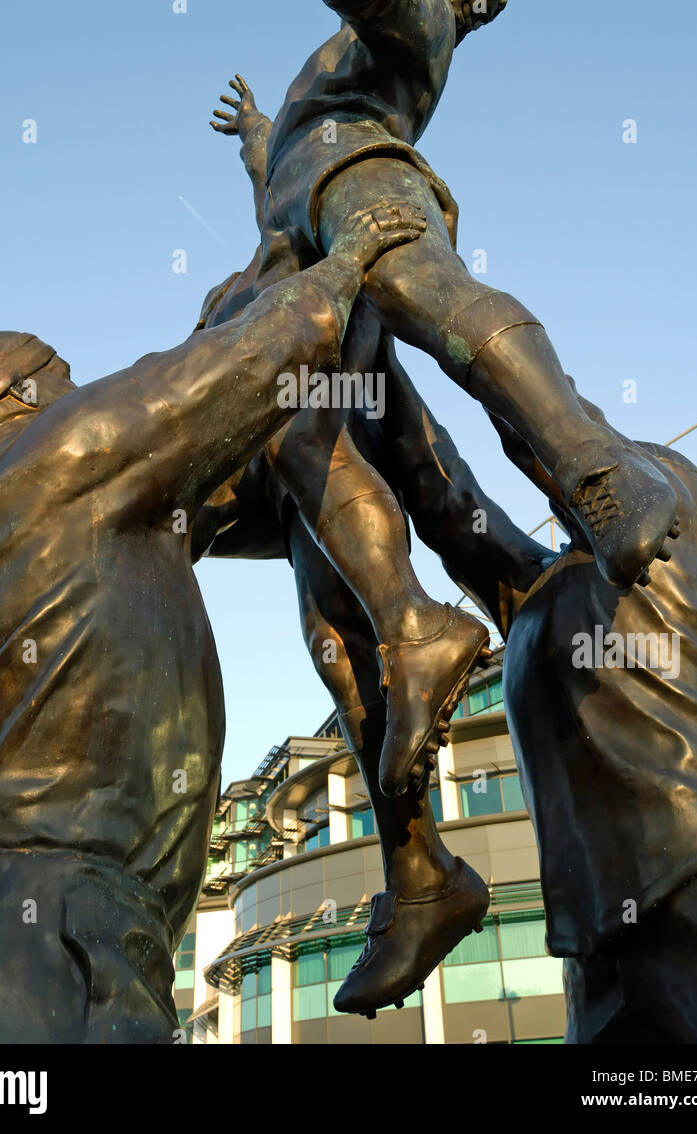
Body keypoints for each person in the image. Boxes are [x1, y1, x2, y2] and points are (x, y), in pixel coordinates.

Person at [134, 0, 679, 616]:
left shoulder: (422, 14)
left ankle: (597, 465)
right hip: (302, 243)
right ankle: (498, 586)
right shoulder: (360, 53)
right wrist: (255, 133)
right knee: (376, 440)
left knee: (428, 295)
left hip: (362, 180)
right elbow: (280, 168)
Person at [0, 203, 423, 1043]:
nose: (79, 391)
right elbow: (252, 360)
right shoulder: (54, 451)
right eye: (62, 379)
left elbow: (197, 498)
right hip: (48, 925)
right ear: (15, 394)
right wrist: (349, 257)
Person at [386, 376, 697, 1044]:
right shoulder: (539, 598)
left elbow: (529, 420)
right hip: (599, 934)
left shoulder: (663, 530)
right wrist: (367, 361)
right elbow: (439, 495)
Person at [205, 68, 489, 798]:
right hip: (277, 449)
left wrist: (256, 134)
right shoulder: (236, 292)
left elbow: (276, 173)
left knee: (306, 438)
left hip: (325, 365)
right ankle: (418, 867)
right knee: (327, 635)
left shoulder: (307, 233)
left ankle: (416, 624)